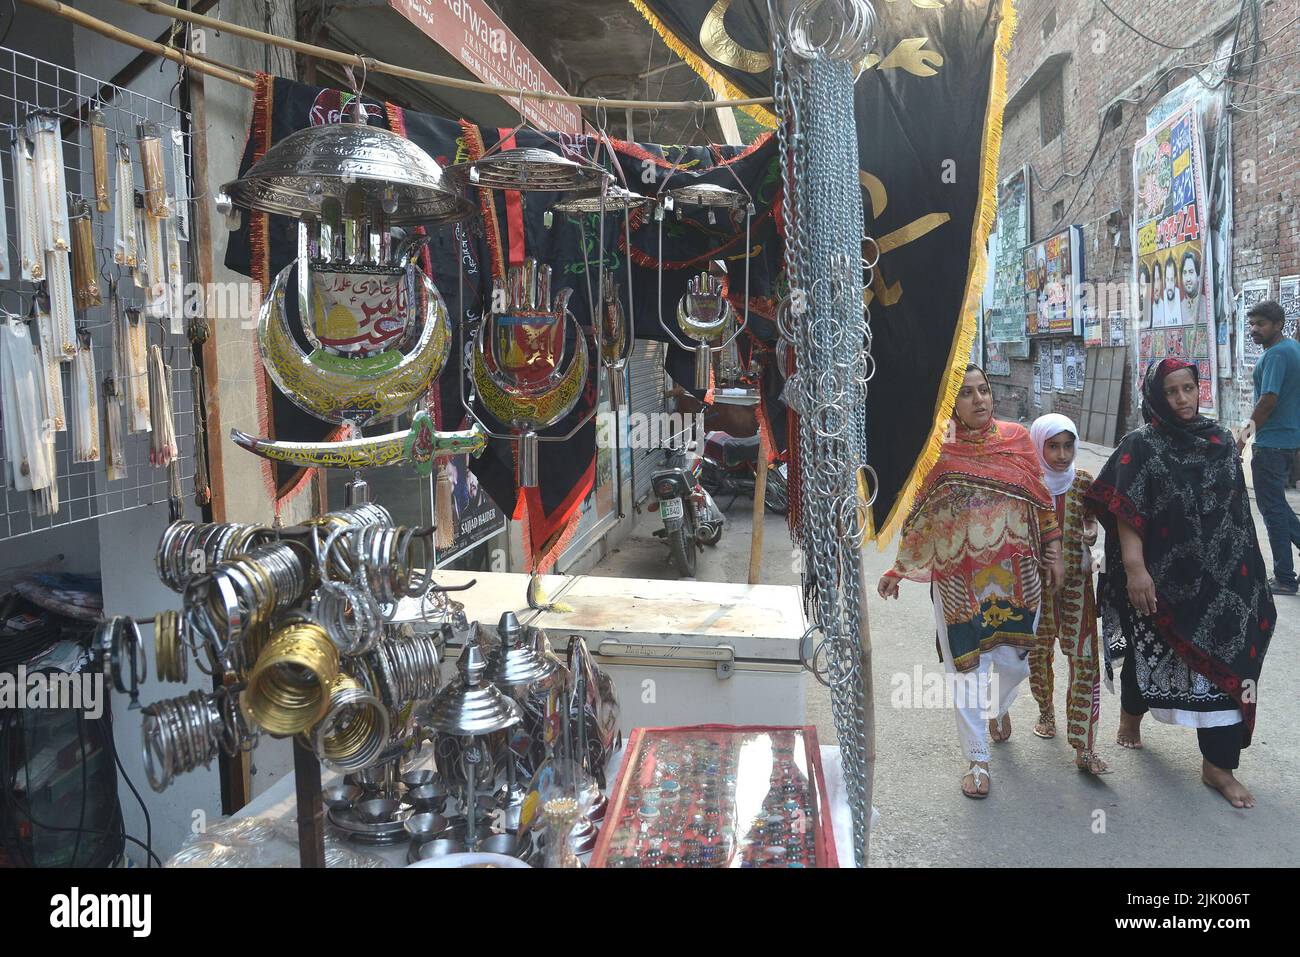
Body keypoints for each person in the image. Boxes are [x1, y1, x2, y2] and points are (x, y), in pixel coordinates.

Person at [1085, 359, 1273, 808]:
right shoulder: (1141, 445)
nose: (1183, 399)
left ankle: (1218, 766)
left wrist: (1252, 580)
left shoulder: (1219, 441)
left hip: (1224, 582)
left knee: (1230, 666)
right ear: (1156, 397)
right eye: (1171, 392)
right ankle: (1132, 715)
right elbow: (1124, 508)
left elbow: (1236, 516)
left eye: (1188, 388)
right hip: (1161, 579)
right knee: (1150, 652)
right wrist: (1135, 570)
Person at [879, 365, 1063, 799]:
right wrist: (899, 568)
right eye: (966, 393)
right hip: (957, 580)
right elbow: (922, 516)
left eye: (984, 390)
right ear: (951, 404)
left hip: (1018, 577)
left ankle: (998, 705)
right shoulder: (938, 452)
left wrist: (1053, 552)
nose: (979, 399)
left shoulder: (1016, 439)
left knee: (1014, 662)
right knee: (966, 667)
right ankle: (977, 759)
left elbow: (1041, 499)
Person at [1027, 414, 1109, 774]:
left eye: (1068, 446)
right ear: (1038, 446)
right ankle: (1045, 711)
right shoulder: (1028, 482)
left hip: (1077, 583)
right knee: (1037, 653)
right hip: (1036, 585)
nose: (1062, 455)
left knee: (1084, 659)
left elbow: (1091, 517)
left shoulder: (1083, 481)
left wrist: (1090, 529)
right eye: (1053, 447)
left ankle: (1084, 746)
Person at [1241, 298, 1300, 594]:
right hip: (1288, 441)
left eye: (1261, 324)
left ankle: (1285, 578)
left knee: (1273, 511)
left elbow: (1268, 400)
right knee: (1277, 505)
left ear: (1279, 325)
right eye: (1251, 324)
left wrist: (1243, 437)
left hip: (1272, 444)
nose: (1254, 329)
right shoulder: (1293, 349)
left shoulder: (1276, 355)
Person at [1179, 249, 1202, 324]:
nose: (1188, 279)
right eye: (1185, 273)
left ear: (1198, 276)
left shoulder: (1206, 304)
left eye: (1191, 272)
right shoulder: (1179, 308)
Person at [1150, 257, 1165, 326]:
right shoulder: (1149, 309)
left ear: (1161, 281)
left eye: (1158, 280)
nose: (1156, 287)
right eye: (1154, 280)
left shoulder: (1165, 307)